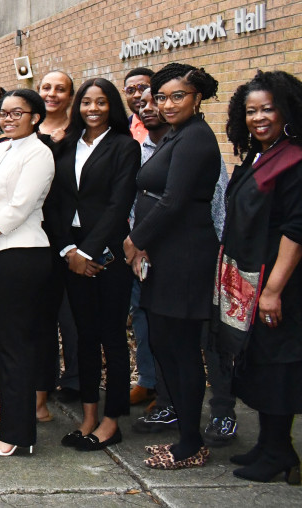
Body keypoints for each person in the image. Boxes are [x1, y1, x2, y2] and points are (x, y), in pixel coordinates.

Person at [123, 63, 222, 470]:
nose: (166, 104)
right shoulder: (175, 136)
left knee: (180, 351)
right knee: (165, 345)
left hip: (185, 258)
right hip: (164, 257)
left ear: (197, 98)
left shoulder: (197, 138)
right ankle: (186, 432)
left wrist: (135, 240)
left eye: (177, 96)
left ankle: (191, 443)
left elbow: (175, 200)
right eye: (160, 97)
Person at [44, 79, 140, 452]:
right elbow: (53, 202)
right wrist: (69, 249)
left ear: (111, 106)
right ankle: (88, 416)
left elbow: (119, 205)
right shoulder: (65, 145)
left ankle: (111, 420)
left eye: (101, 102)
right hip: (70, 251)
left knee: (111, 337)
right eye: (86, 102)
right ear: (78, 107)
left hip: (107, 254)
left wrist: (88, 252)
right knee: (84, 337)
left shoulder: (124, 146)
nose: (93, 108)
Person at [0, 89, 56, 456]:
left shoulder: (40, 153)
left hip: (24, 255)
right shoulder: (1, 149)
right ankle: (14, 429)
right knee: (5, 345)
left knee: (16, 346)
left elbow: (18, 210)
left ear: (35, 116)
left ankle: (18, 435)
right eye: (4, 113)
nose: (8, 118)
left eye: (18, 113)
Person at [220, 70, 302, 484]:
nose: (259, 118)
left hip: (282, 283)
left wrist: (272, 291)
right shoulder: (261, 155)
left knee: (278, 365)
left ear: (286, 109)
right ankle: (272, 444)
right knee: (260, 362)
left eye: (267, 108)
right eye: (251, 111)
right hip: (254, 278)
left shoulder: (295, 159)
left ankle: (279, 452)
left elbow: (296, 229)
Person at [36, 70, 81, 405]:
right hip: (34, 231)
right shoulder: (26, 131)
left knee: (72, 311)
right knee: (41, 313)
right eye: (46, 88)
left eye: (60, 89)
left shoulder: (79, 134)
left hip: (70, 231)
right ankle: (43, 380)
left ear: (70, 96)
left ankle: (76, 380)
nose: (52, 94)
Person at [123, 68, 154, 143]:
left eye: (143, 88)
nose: (137, 95)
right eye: (130, 90)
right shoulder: (121, 130)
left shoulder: (170, 127)